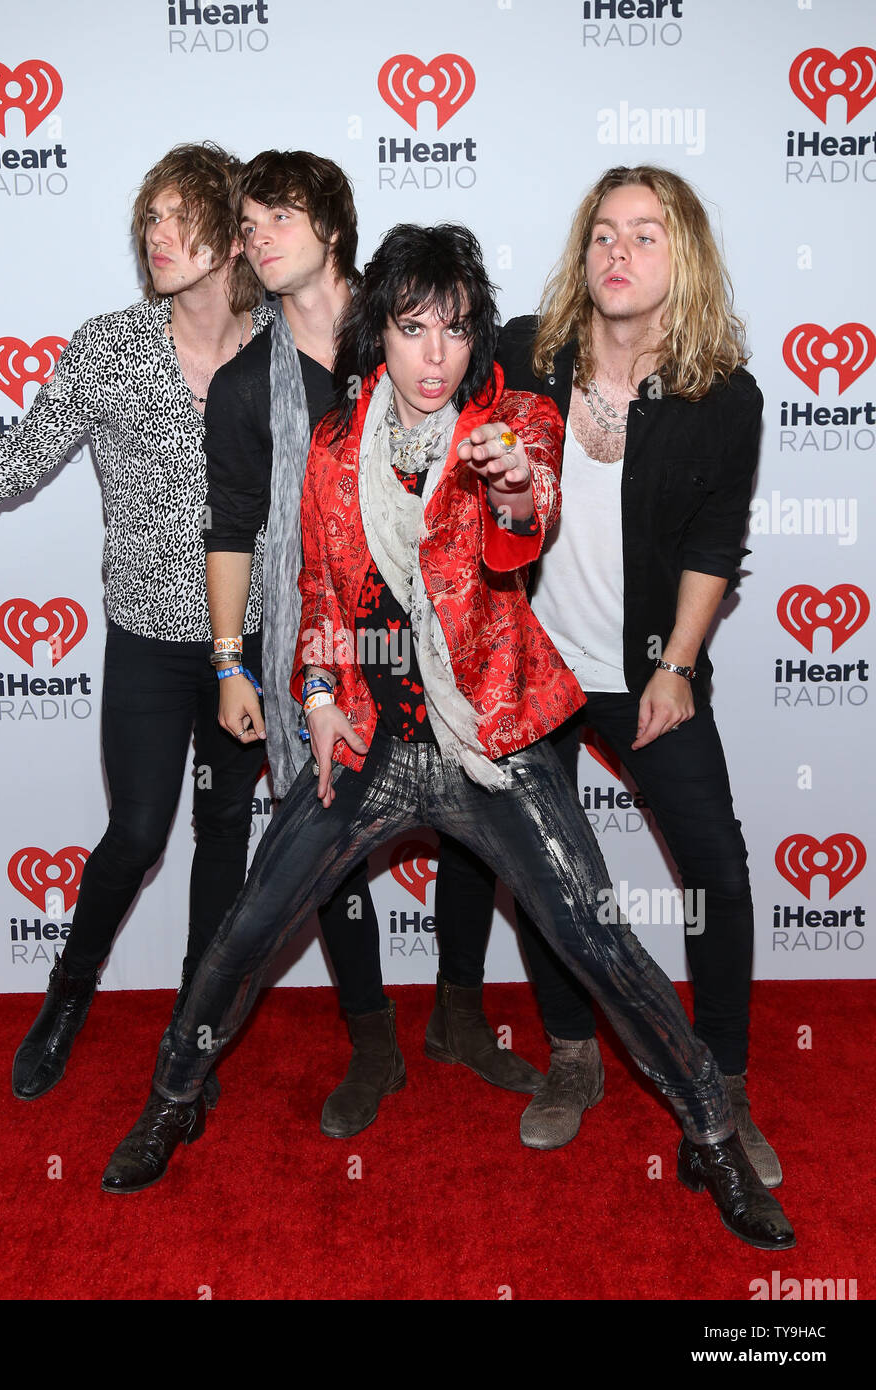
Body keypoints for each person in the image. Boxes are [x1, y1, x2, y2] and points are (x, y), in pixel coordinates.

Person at [100, 222, 794, 1253]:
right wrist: (323, 690)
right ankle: (172, 1095)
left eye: (457, 330)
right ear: (377, 328)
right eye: (413, 327)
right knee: (249, 924)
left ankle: (708, 1131)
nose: (435, 354)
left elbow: (529, 512)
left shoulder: (512, 419)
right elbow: (321, 589)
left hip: (492, 739)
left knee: (597, 938)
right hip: (373, 743)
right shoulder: (336, 446)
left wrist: (508, 474)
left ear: (479, 340)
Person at [0, 143, 270, 1107]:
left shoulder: (286, 346)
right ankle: (69, 992)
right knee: (139, 832)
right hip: (149, 646)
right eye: (149, 219)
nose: (159, 235)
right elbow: (12, 468)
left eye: (181, 216)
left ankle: (191, 1038)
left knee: (227, 831)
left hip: (254, 649)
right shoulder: (109, 346)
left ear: (235, 234)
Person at [202, 151, 537, 1140]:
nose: (259, 237)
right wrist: (230, 657)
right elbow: (231, 529)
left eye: (281, 216)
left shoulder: (412, 316)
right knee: (330, 845)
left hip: (450, 635)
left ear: (334, 228)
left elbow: (504, 437)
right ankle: (370, 1039)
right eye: (248, 223)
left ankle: (461, 1014)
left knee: (473, 826)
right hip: (331, 645)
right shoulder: (244, 386)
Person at [495, 166, 781, 1185]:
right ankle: (571, 1053)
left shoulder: (721, 396)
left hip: (643, 668)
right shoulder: (522, 356)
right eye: (602, 235)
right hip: (527, 664)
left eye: (644, 236)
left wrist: (675, 664)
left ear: (682, 257)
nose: (617, 254)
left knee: (715, 867)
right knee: (544, 871)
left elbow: (713, 545)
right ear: (582, 256)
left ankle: (722, 1084)